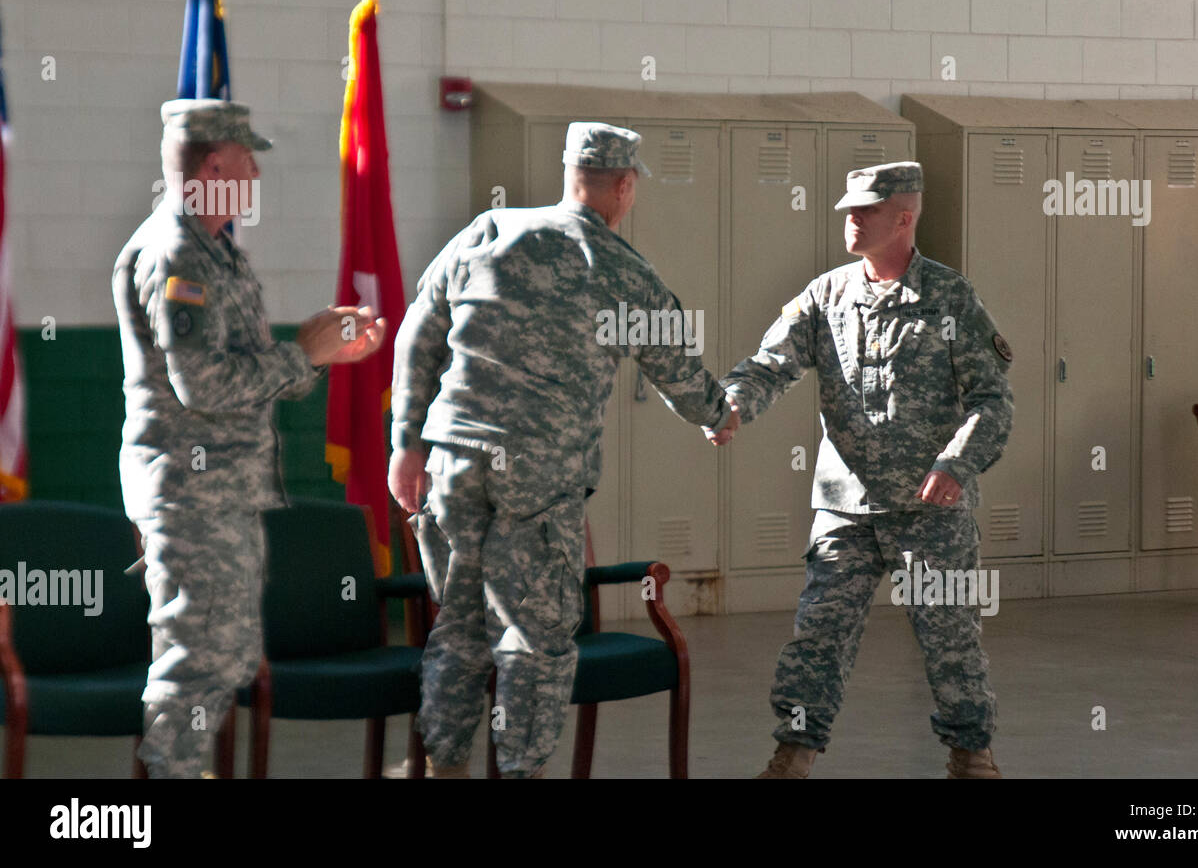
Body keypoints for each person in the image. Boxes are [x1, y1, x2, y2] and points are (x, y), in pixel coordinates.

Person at [388, 122, 738, 778]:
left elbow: (418, 334)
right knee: (535, 640)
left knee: (457, 631)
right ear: (625, 186)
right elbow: (677, 366)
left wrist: (405, 443)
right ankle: (520, 770)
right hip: (538, 473)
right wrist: (718, 416)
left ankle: (441, 767)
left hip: (451, 462)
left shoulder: (488, 232)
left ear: (569, 171)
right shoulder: (623, 268)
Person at [706, 161, 1013, 779]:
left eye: (864, 211)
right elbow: (769, 364)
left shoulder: (950, 299)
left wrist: (957, 462)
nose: (851, 220)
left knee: (950, 641)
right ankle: (792, 755)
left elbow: (993, 401)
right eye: (847, 210)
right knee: (817, 636)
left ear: (904, 217)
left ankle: (971, 754)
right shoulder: (826, 296)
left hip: (931, 512)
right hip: (844, 508)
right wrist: (732, 405)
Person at [114, 98, 385, 778]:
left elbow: (243, 370)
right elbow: (200, 386)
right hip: (189, 496)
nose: (257, 172)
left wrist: (314, 345)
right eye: (248, 157)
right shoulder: (177, 254)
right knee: (194, 662)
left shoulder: (217, 251)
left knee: (225, 657)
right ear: (214, 165)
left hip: (224, 495)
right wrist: (308, 357)